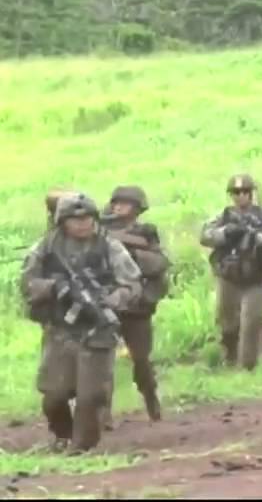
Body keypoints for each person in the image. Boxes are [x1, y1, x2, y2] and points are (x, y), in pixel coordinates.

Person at [19, 193, 142, 453]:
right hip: (61, 329)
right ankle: (62, 435)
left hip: (98, 329)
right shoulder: (47, 247)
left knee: (91, 397)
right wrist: (56, 287)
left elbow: (132, 283)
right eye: (76, 219)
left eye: (87, 217)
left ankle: (83, 447)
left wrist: (113, 299)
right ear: (63, 221)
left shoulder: (109, 246)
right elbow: (27, 283)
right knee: (54, 395)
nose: (83, 223)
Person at [100, 185, 171, 425]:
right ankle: (103, 414)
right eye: (116, 202)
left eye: (126, 203)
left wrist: (131, 252)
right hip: (107, 303)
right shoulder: (99, 229)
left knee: (141, 360)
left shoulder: (145, 233)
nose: (119, 206)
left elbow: (158, 264)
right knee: (102, 361)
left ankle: (151, 401)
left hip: (136, 308)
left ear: (138, 208)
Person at [200, 174, 262, 370]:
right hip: (229, 276)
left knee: (251, 321)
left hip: (256, 278)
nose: (241, 196)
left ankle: (247, 366)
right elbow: (204, 236)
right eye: (236, 192)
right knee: (227, 321)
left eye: (245, 191)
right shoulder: (224, 216)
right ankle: (229, 355)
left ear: (252, 194)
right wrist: (226, 233)